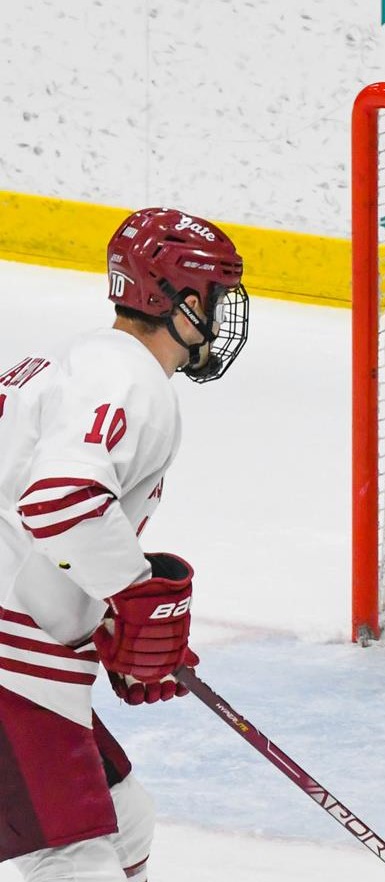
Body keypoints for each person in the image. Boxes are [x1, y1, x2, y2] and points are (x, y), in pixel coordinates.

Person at [0, 208, 248, 882]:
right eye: (219, 298)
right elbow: (59, 502)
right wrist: (134, 598)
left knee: (125, 819)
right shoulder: (129, 381)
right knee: (73, 859)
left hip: (18, 648)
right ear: (185, 301)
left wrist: (115, 624)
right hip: (7, 663)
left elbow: (37, 521)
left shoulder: (79, 360)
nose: (221, 318)